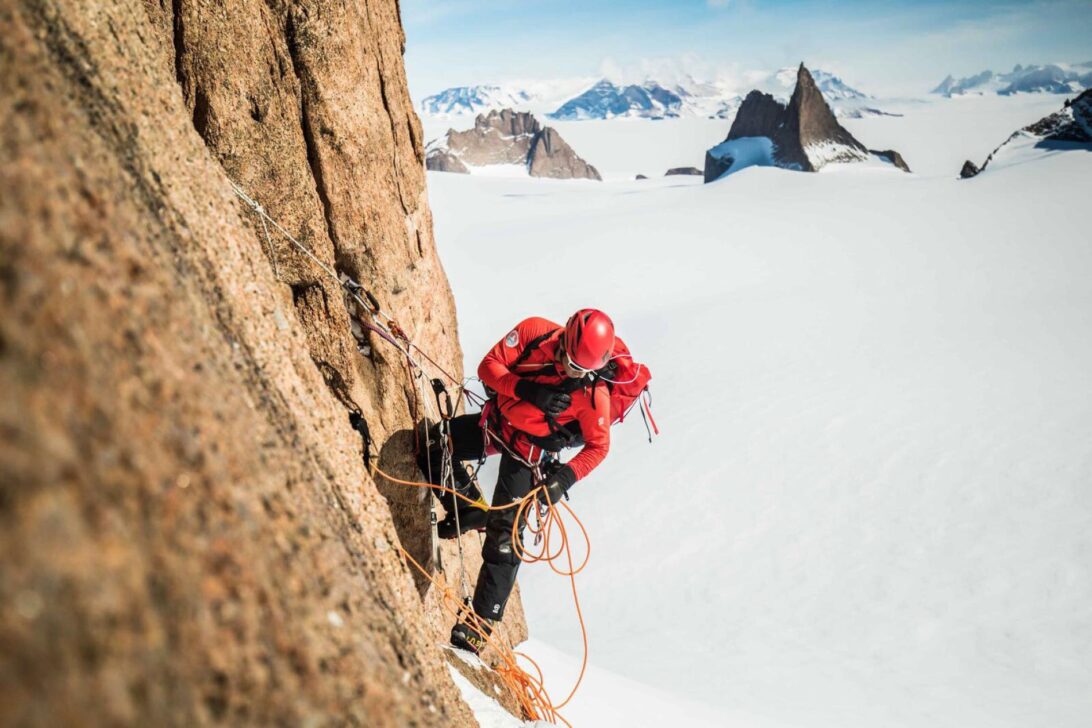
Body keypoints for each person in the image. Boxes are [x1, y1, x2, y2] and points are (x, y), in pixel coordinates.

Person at [418, 308, 652, 654]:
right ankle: (467, 506)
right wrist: (527, 390)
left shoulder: (593, 395)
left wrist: (563, 480)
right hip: (497, 425)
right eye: (572, 364)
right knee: (432, 444)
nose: (574, 373)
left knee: (504, 538)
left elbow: (598, 447)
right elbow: (489, 367)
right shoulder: (535, 333)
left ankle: (477, 627)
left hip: (527, 454)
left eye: (583, 369)